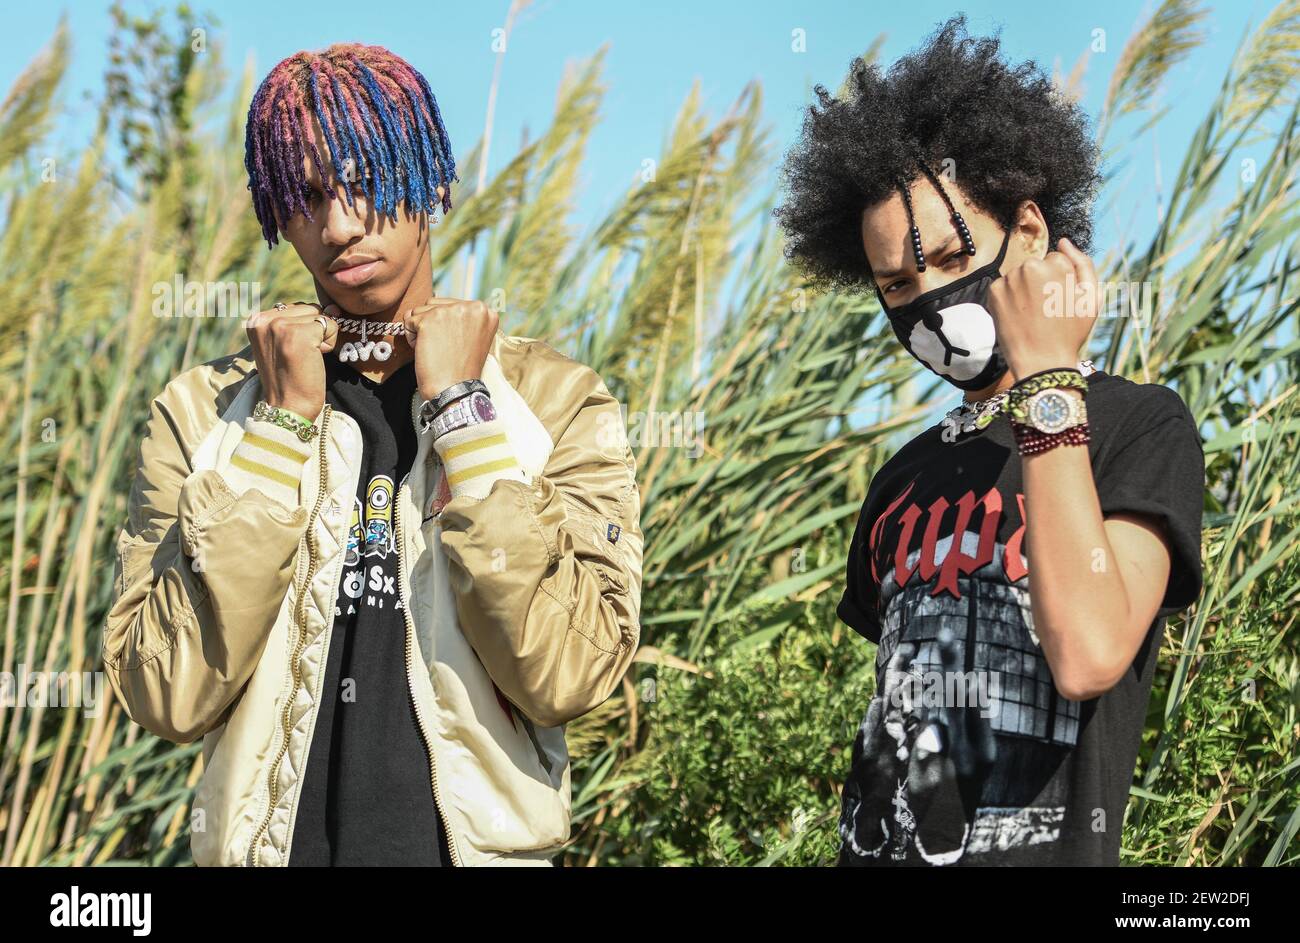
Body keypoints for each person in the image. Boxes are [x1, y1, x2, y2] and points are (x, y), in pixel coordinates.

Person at [101, 42, 644, 867]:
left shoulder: (556, 400)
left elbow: (567, 672)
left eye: (363, 181)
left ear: (431, 181)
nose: (341, 226)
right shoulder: (202, 413)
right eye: (307, 198)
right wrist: (279, 432)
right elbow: (166, 692)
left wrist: (465, 415)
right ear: (277, 215)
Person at [774, 17, 1204, 865]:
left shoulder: (1136, 424)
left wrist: (1048, 382)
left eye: (944, 256)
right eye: (897, 281)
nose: (927, 298)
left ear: (1033, 233)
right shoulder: (903, 476)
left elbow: (1086, 657)